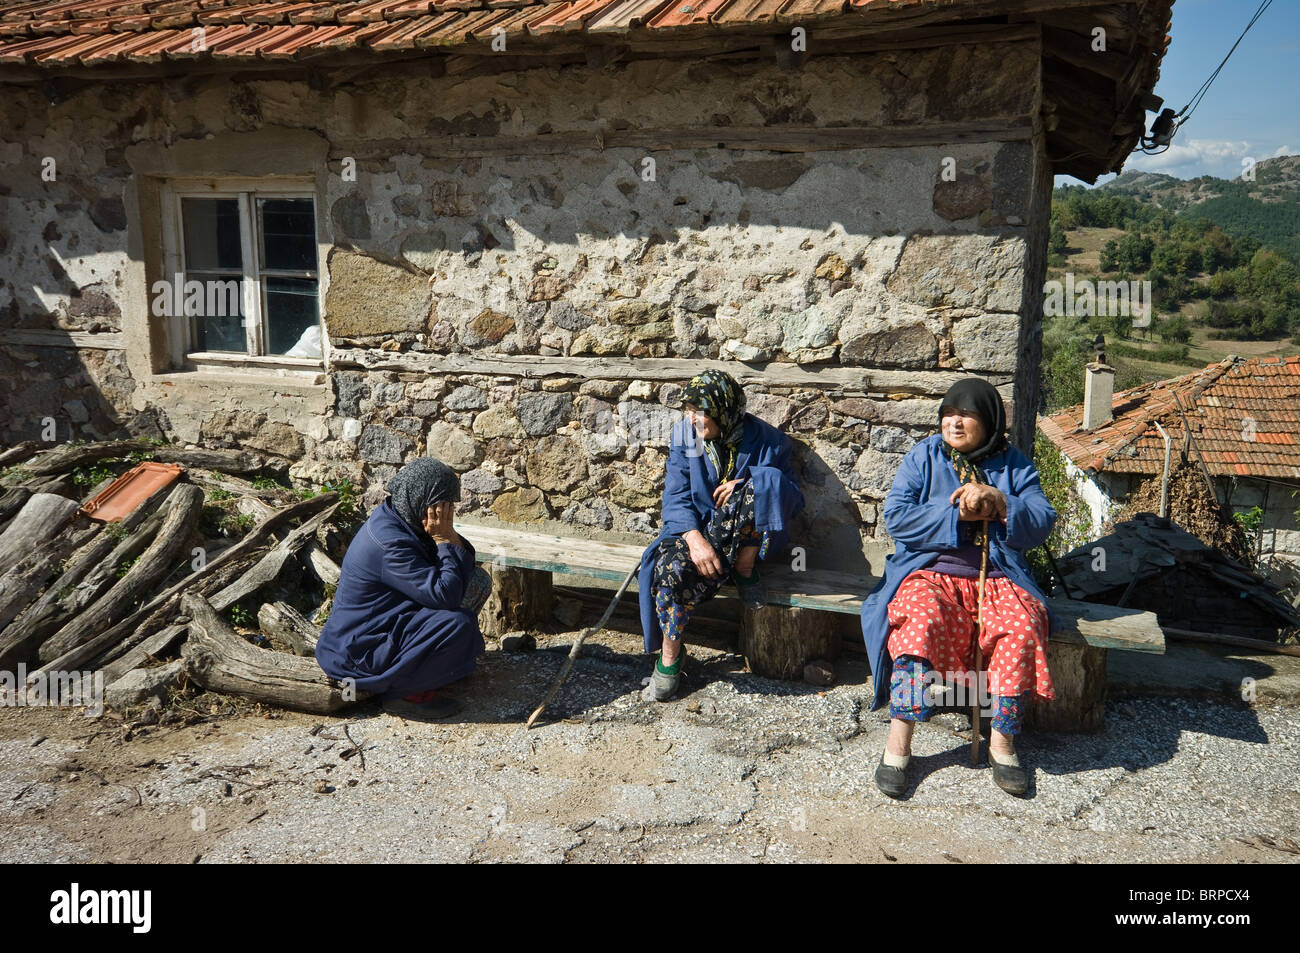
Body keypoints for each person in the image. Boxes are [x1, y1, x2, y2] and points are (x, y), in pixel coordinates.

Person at [860, 378, 1060, 797]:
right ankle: (899, 744)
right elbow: (896, 518)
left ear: (988, 421)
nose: (954, 421)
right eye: (949, 413)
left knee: (1022, 626)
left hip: (998, 575)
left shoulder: (1015, 464)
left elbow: (1042, 519)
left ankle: (1002, 745)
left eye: (966, 414)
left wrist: (1002, 502)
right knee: (918, 621)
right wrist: (957, 517)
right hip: (930, 571)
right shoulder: (925, 456)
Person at [638, 369, 804, 701]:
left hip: (745, 539)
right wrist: (694, 539)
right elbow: (675, 496)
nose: (692, 418)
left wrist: (749, 483)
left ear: (723, 410)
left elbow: (794, 500)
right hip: (697, 532)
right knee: (667, 570)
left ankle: (744, 569)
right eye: (689, 409)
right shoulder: (685, 436)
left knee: (763, 483)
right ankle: (670, 657)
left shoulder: (769, 442)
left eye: (701, 411)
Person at [315, 457, 493, 719]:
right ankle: (404, 694)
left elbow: (458, 568)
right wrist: (444, 539)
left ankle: (426, 670)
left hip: (386, 625)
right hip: (359, 651)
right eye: (443, 506)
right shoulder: (390, 542)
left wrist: (450, 538)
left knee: (476, 581)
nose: (447, 514)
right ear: (424, 501)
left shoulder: (403, 519)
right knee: (457, 623)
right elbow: (445, 596)